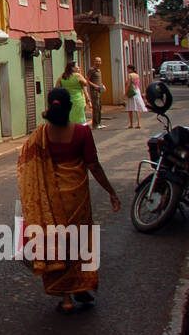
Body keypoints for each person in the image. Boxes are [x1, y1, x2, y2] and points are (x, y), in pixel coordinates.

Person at [16, 88, 121, 313]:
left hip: (51, 200)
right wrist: (111, 191)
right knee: (79, 242)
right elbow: (93, 165)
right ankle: (80, 285)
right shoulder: (82, 132)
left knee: (58, 246)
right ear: (70, 106)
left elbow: (26, 166)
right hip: (77, 199)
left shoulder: (41, 134)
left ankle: (66, 300)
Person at [58, 60, 101, 126]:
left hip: (66, 101)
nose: (79, 68)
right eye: (77, 66)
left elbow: (57, 86)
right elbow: (85, 83)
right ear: (72, 68)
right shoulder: (77, 76)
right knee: (80, 120)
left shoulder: (62, 76)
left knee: (69, 119)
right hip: (77, 100)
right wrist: (80, 74)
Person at [88, 57, 105, 128]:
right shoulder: (91, 70)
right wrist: (95, 86)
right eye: (97, 61)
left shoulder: (99, 70)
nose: (98, 63)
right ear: (94, 62)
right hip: (94, 91)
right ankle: (95, 124)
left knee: (100, 106)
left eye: (99, 61)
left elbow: (99, 80)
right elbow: (87, 80)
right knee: (96, 107)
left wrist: (102, 85)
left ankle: (99, 123)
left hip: (99, 90)